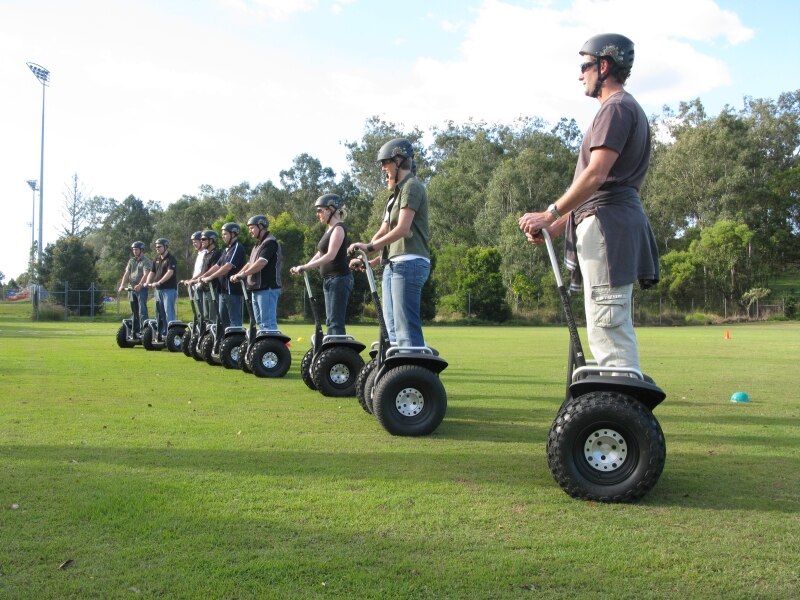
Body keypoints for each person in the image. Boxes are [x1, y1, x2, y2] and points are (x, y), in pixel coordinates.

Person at [518, 33, 659, 372]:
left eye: (585, 65)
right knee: (603, 325)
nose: (581, 74)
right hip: (606, 220)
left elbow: (596, 175)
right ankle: (617, 412)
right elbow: (597, 189)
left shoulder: (617, 108)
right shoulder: (619, 109)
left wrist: (549, 212)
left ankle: (622, 419)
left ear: (604, 65)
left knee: (608, 327)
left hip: (608, 226)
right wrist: (555, 226)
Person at [349, 138, 431, 347]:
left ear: (398, 160)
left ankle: (415, 375)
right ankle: (397, 376)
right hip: (394, 263)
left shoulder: (411, 187)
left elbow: (403, 229)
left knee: (406, 329)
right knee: (392, 331)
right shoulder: (395, 195)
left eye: (385, 163)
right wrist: (368, 254)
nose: (383, 169)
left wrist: (369, 247)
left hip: (409, 262)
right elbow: (385, 230)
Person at [290, 194, 353, 336]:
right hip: (329, 280)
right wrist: (304, 265)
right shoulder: (329, 229)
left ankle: (338, 353)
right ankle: (333, 351)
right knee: (330, 320)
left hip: (339, 279)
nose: (317, 214)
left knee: (335, 322)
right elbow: (320, 253)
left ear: (330, 210)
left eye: (320, 210)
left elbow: (330, 255)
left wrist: (306, 267)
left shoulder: (338, 228)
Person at [231, 215, 283, 331]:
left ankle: (272, 348)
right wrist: (239, 273)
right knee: (260, 323)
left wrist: (243, 275)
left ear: (261, 226)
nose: (250, 231)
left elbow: (261, 263)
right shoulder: (257, 245)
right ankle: (265, 347)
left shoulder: (270, 242)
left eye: (252, 228)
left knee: (267, 324)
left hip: (267, 288)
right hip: (256, 288)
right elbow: (250, 263)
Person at [200, 222, 245, 329]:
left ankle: (236, 343)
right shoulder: (226, 249)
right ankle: (224, 343)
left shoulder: (237, 247)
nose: (223, 237)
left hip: (232, 290)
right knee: (223, 322)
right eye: (222, 234)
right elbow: (217, 265)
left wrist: (210, 277)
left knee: (234, 322)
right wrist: (201, 277)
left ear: (233, 234)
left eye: (225, 234)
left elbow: (227, 266)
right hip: (223, 290)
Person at [117, 240, 152, 337]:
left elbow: (146, 274)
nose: (135, 251)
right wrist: (122, 285)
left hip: (141, 289)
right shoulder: (131, 260)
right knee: (134, 311)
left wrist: (140, 284)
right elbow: (127, 273)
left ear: (141, 250)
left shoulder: (146, 261)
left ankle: (145, 332)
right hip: (131, 288)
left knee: (142, 310)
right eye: (133, 249)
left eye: (136, 249)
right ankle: (135, 331)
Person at [146, 238, 178, 337]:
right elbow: (152, 272)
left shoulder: (171, 259)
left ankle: (172, 335)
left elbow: (170, 272)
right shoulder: (156, 259)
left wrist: (159, 282)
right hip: (158, 290)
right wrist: (147, 282)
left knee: (169, 312)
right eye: (156, 247)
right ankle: (163, 333)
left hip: (169, 289)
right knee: (160, 313)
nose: (157, 248)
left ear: (165, 246)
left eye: (159, 246)